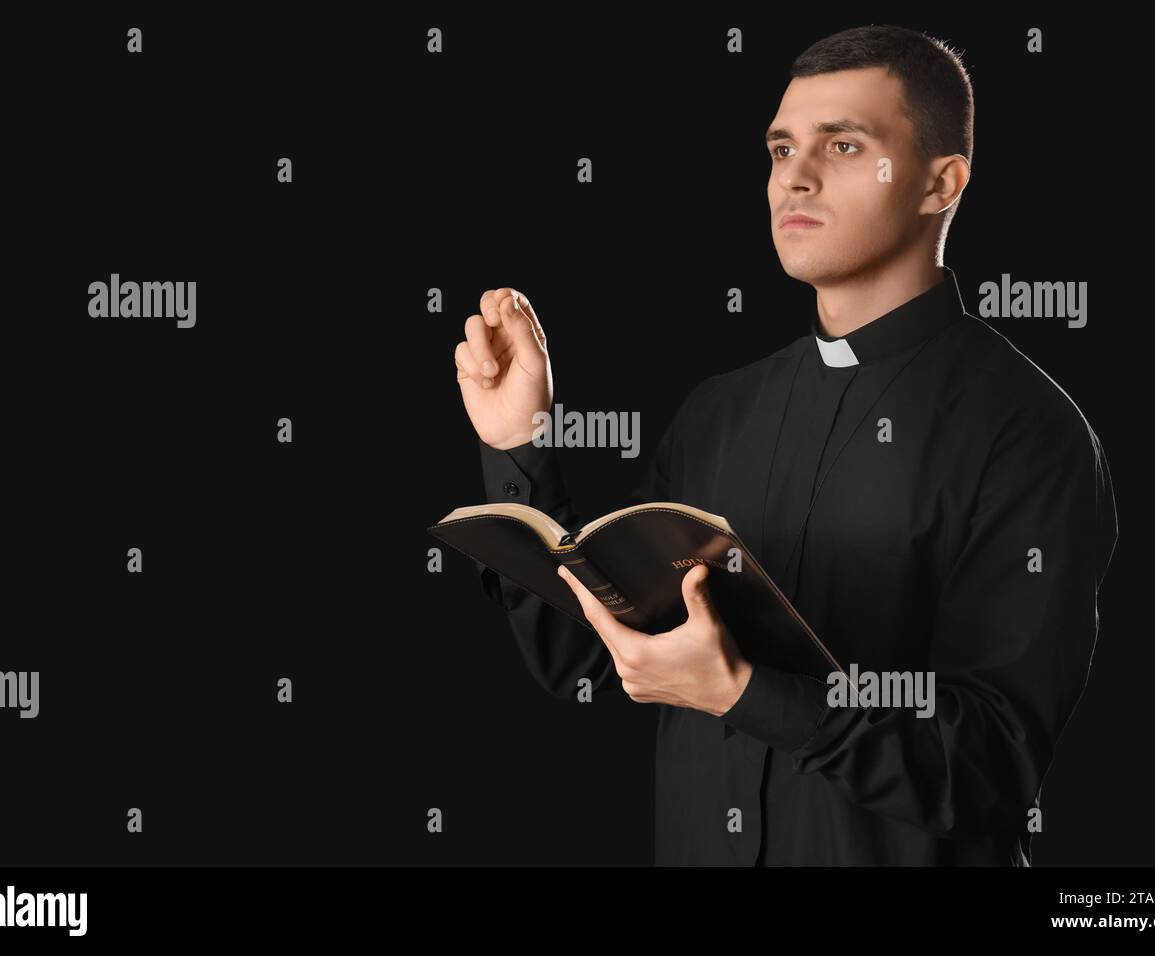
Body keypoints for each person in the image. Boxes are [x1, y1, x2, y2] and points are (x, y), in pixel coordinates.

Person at [450, 24, 1118, 866]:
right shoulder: (715, 412)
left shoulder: (1030, 433)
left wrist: (744, 693)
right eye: (779, 148)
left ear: (939, 184)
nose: (793, 176)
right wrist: (522, 445)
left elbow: (989, 765)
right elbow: (583, 659)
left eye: (843, 145)